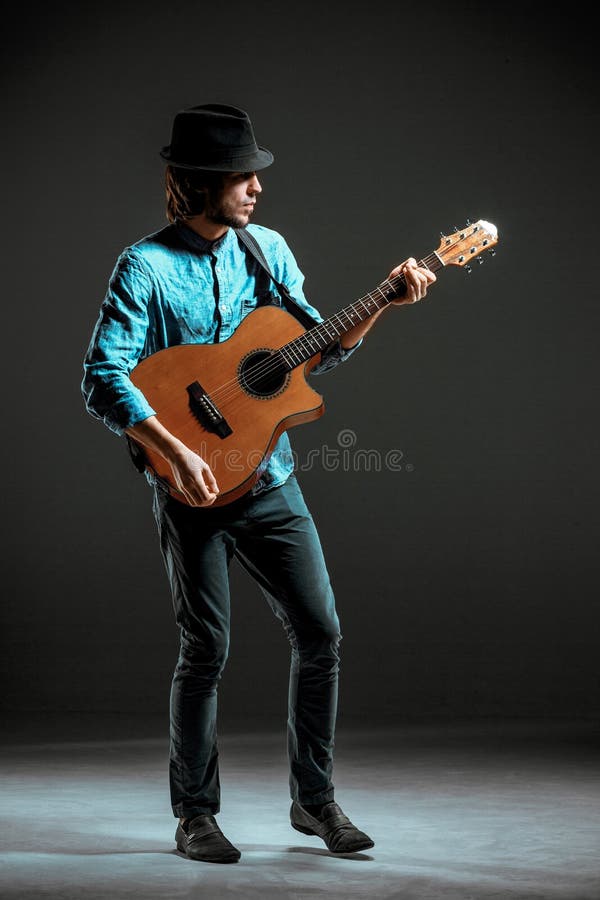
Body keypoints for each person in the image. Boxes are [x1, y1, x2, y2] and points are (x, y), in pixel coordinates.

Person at [81, 103, 436, 864]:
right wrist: (174, 450)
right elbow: (103, 377)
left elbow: (317, 349)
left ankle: (315, 801)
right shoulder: (144, 266)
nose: (256, 188)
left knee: (321, 634)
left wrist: (385, 300)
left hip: (270, 478)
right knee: (205, 650)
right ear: (201, 182)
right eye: (243, 176)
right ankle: (195, 816)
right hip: (192, 490)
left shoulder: (267, 250)